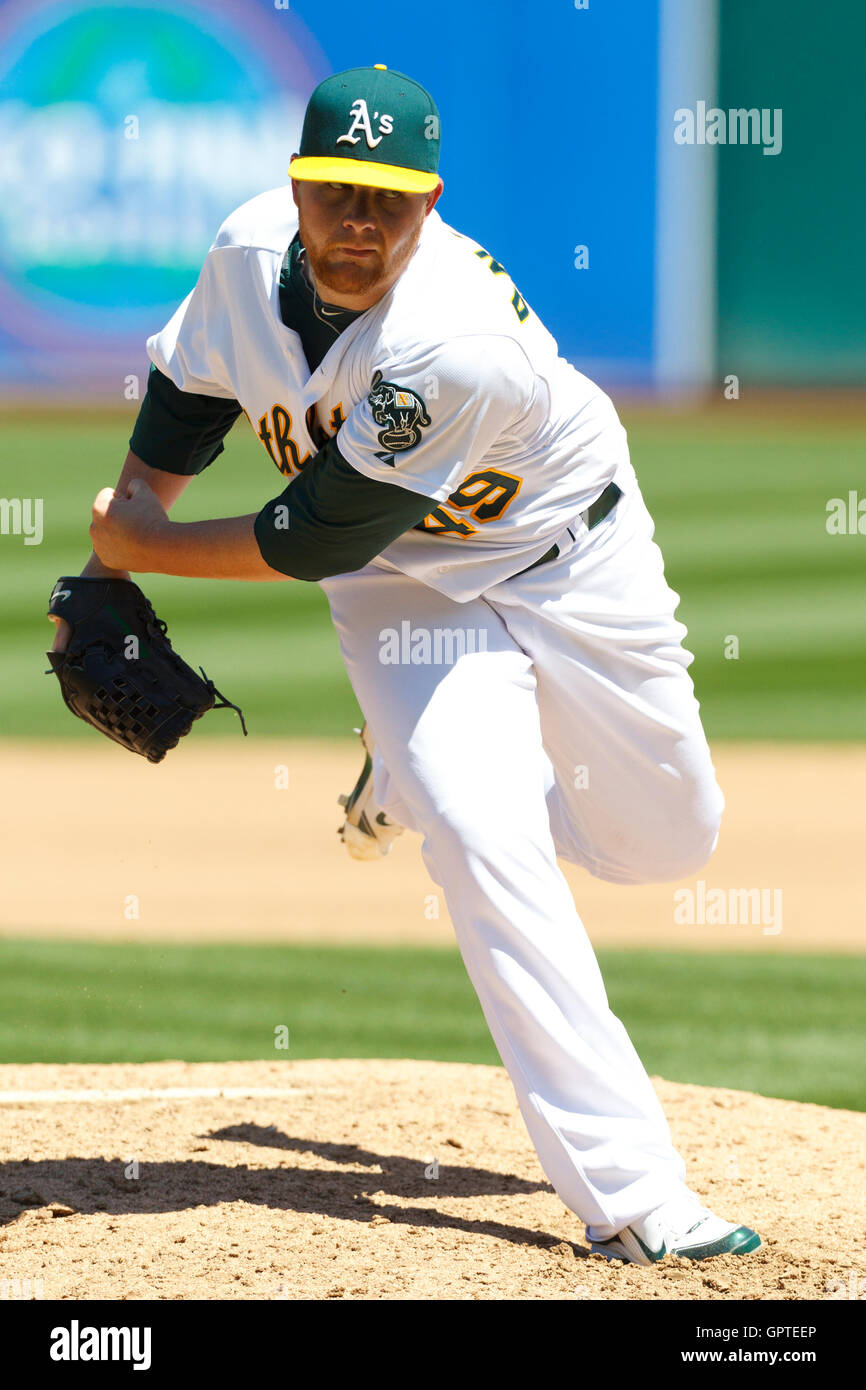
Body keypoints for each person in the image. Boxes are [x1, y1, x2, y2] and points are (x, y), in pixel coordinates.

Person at [50, 65, 761, 1266]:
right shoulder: (242, 254)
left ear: (429, 202)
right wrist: (127, 526)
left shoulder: (449, 338)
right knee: (481, 838)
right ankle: (636, 1198)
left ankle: (405, 782)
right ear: (296, 187)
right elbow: (187, 392)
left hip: (563, 549)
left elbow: (306, 535)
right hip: (398, 588)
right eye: (336, 193)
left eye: (387, 200)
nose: (358, 225)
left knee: (669, 840)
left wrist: (141, 549)